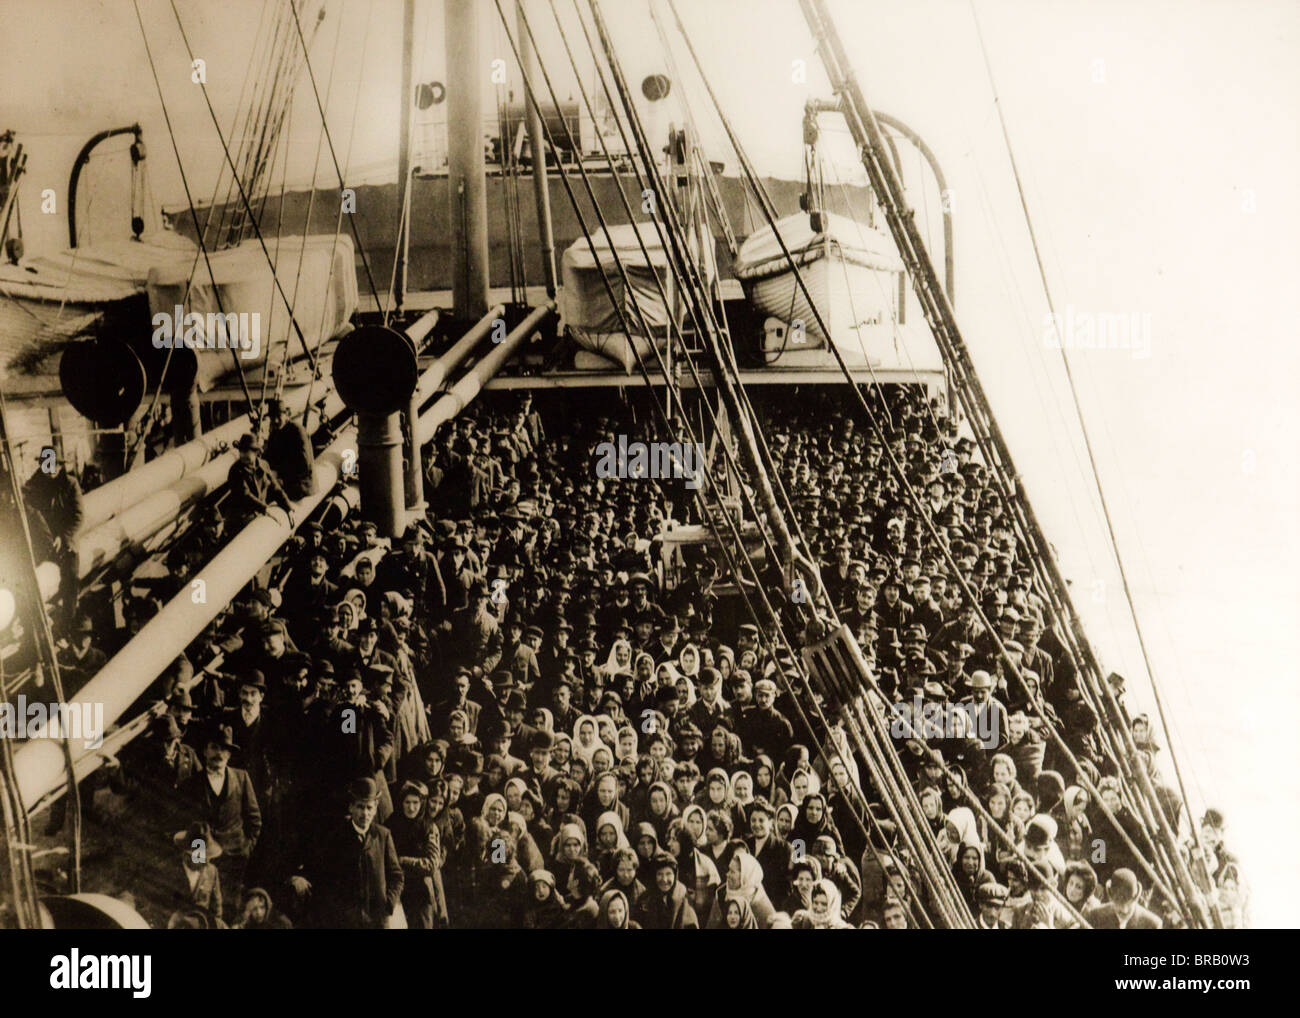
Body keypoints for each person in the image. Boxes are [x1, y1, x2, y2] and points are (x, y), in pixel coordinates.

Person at [292, 777, 404, 929]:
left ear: (376, 807)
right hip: (347, 921)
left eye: (369, 807)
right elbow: (323, 875)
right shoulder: (336, 837)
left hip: (377, 920)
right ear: (351, 807)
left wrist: (388, 903)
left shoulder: (383, 836)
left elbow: (396, 875)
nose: (365, 813)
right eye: (360, 807)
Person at [263, 397, 317, 500]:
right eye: (272, 417)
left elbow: (304, 464)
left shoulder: (297, 430)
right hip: (287, 480)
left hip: (302, 485)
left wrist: (279, 474)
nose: (276, 420)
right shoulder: (274, 433)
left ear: (286, 415)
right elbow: (269, 458)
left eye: (279, 416)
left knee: (270, 493)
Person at [1084, 868, 1162, 929]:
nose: (1125, 910)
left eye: (1129, 903)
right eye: (1118, 903)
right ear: (1111, 898)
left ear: (1136, 898)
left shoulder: (1152, 924)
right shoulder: (1095, 916)